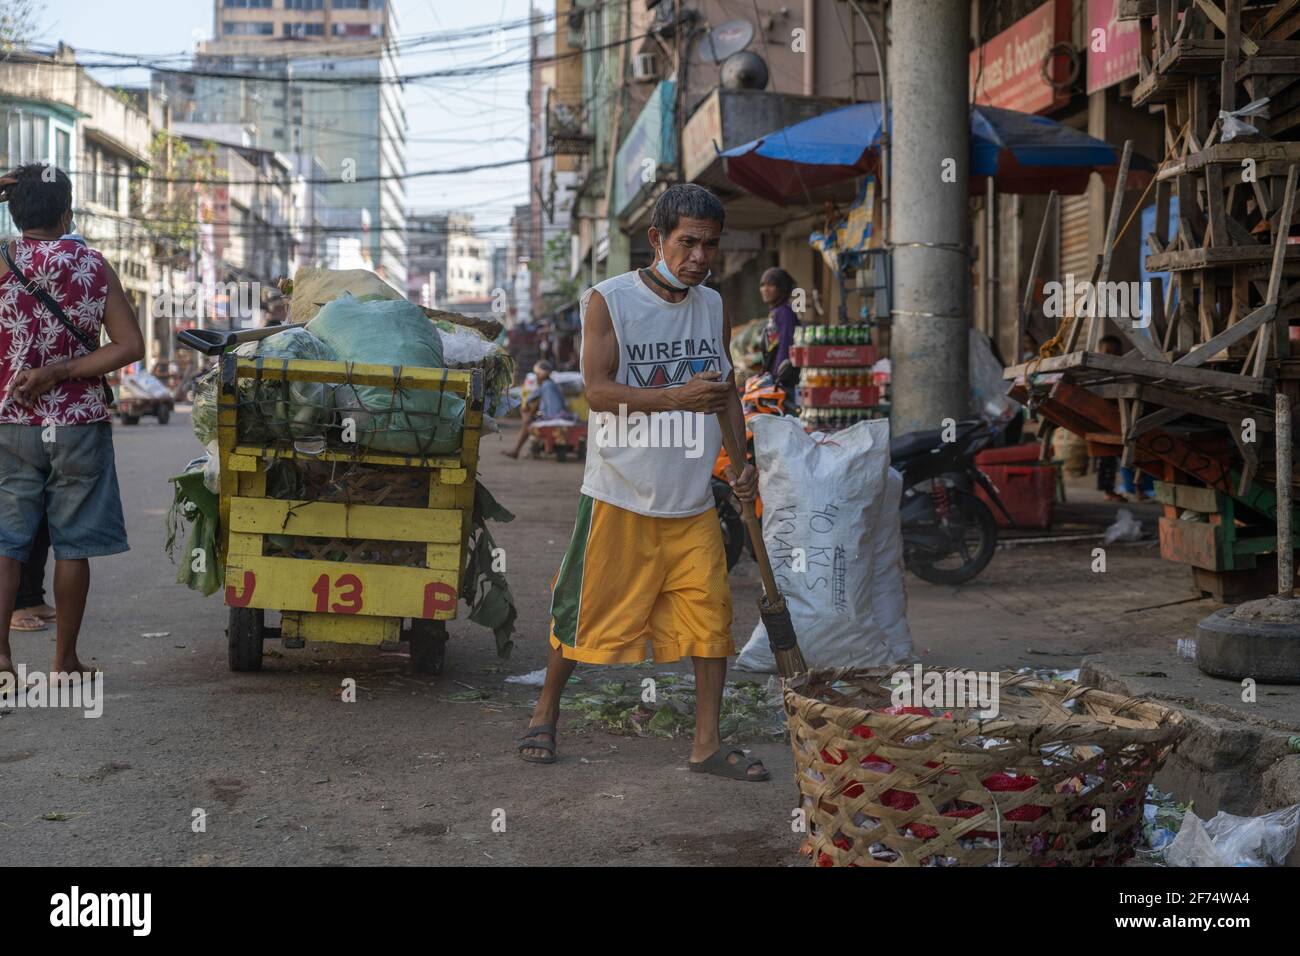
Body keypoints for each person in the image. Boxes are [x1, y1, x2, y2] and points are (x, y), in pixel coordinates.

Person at [517, 184, 767, 782]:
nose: (700, 257)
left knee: (712, 621)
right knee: (580, 612)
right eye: (687, 242)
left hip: (692, 500)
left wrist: (740, 459)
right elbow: (599, 392)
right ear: (655, 240)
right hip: (620, 493)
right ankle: (544, 713)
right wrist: (674, 397)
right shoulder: (609, 300)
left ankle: (706, 745)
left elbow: (725, 389)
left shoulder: (712, 305)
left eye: (710, 245)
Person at [0, 164, 144, 680]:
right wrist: (61, 370)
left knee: (7, 540)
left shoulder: (4, 260)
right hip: (78, 422)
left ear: (14, 213)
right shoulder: (94, 266)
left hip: (10, 420)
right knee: (74, 543)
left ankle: (0, 661)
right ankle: (64, 663)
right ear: (68, 213)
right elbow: (130, 347)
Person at [502, 360, 573, 459]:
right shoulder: (551, 384)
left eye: (537, 374)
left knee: (527, 420)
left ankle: (516, 450)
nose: (536, 377)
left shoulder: (545, 385)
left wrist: (525, 405)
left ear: (541, 374)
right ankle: (521, 449)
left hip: (552, 417)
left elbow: (529, 399)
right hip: (557, 414)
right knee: (529, 417)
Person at [1094, 335, 1124, 501]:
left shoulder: (1124, 370)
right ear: (1100, 352)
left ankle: (1140, 490)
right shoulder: (1096, 372)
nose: (1111, 355)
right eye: (1108, 352)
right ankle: (1108, 491)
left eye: (1115, 352)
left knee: (1134, 459)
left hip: (1122, 418)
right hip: (1104, 419)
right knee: (1107, 458)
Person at [759, 266, 799, 375]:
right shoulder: (775, 312)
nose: (765, 289)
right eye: (762, 285)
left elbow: (785, 347)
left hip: (781, 381)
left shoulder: (785, 313)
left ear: (782, 288)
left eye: (771, 285)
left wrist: (776, 377)